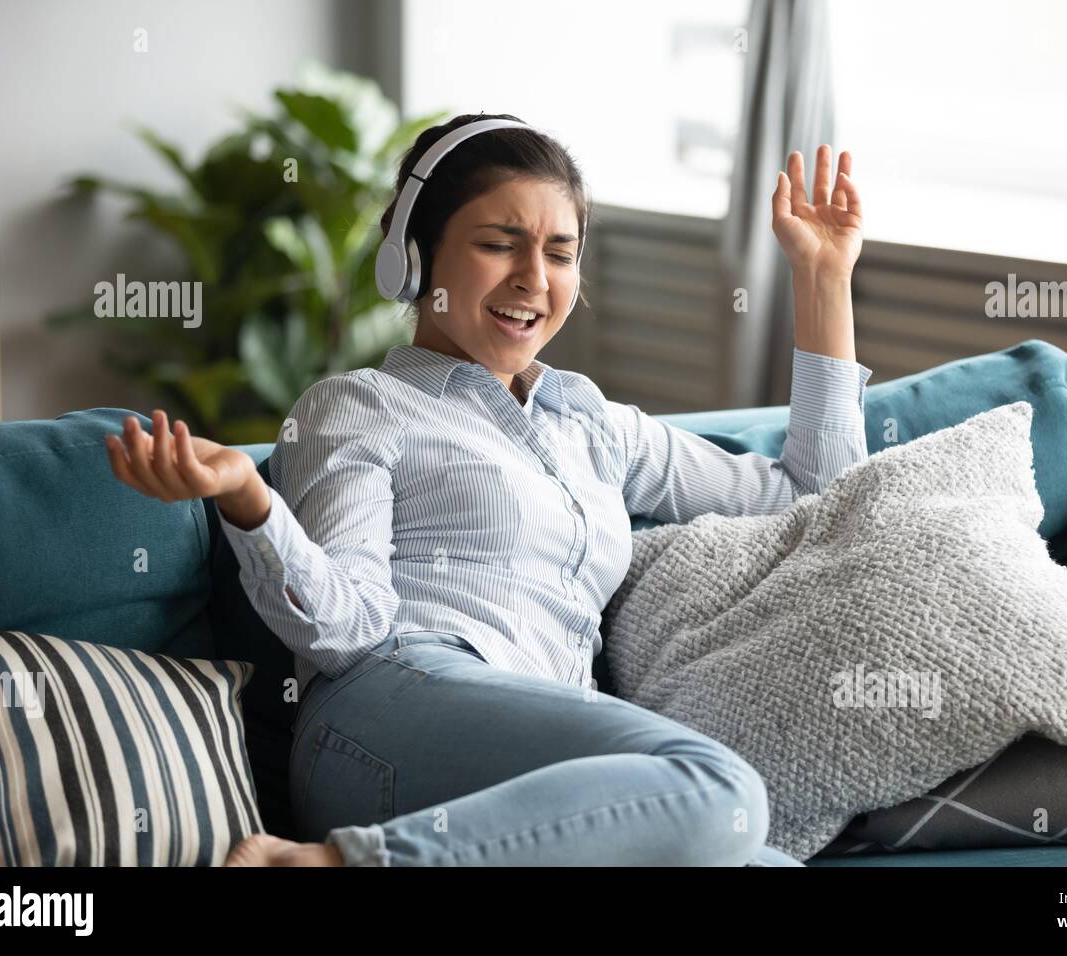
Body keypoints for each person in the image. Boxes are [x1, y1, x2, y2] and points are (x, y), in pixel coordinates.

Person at [104, 113, 870, 866]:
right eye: (499, 244)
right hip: (386, 720)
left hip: (531, 780)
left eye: (560, 253)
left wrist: (823, 278)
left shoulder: (594, 424)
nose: (534, 278)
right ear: (413, 258)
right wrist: (250, 501)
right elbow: (347, 632)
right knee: (718, 787)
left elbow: (819, 497)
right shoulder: (360, 405)